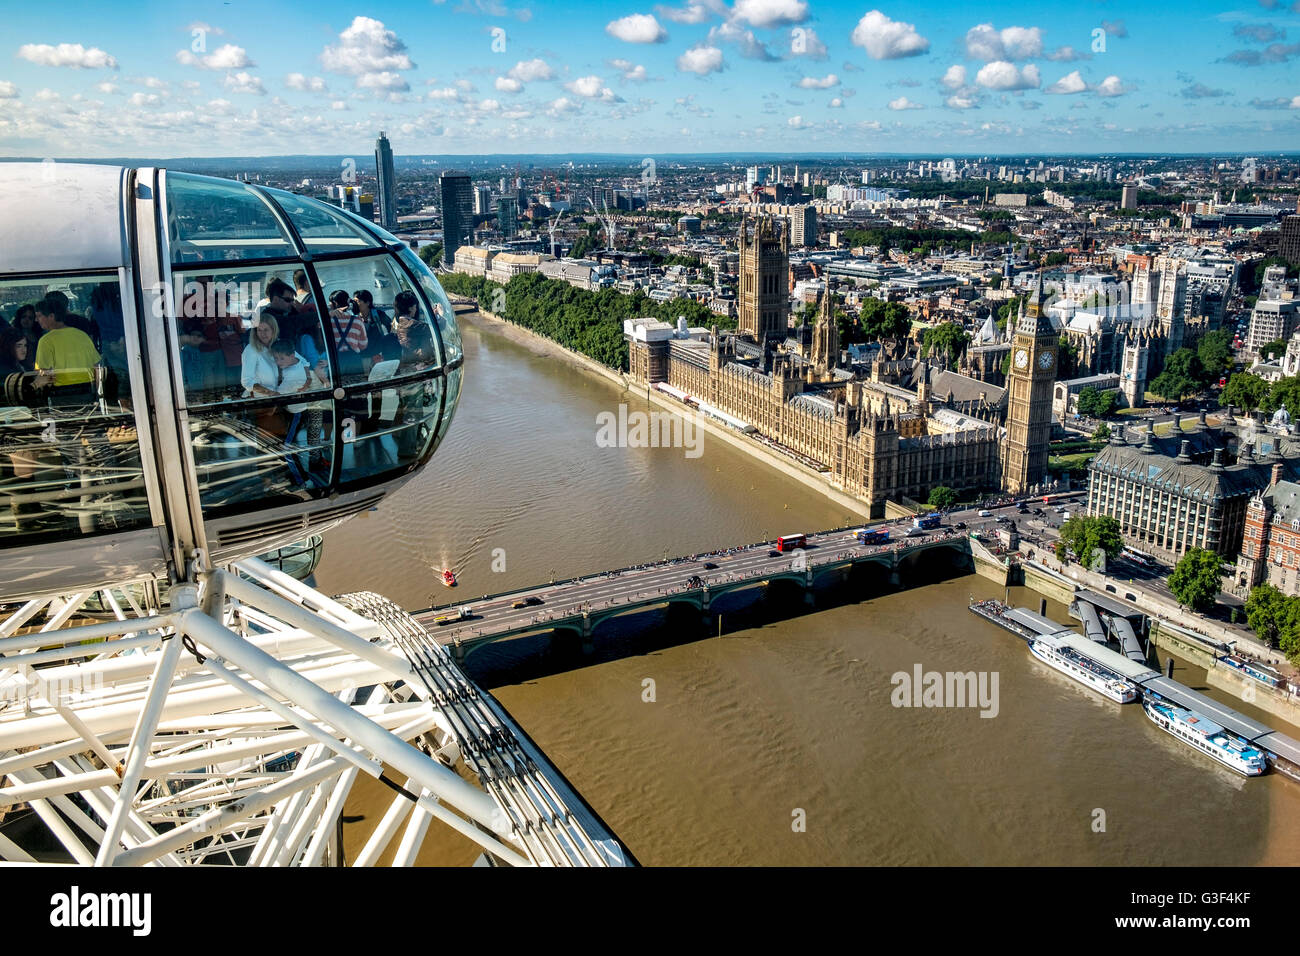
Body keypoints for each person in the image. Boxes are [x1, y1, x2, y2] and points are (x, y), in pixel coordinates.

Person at [34, 296, 100, 400]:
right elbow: (96, 367)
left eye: (39, 316)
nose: (36, 320)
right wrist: (97, 393)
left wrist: (32, 387)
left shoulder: (46, 341)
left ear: (51, 316)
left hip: (61, 394)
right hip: (87, 390)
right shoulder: (82, 335)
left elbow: (44, 375)